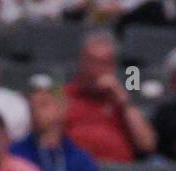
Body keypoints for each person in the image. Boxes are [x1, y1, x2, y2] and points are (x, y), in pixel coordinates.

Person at [62, 32, 157, 163]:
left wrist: (124, 101)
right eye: (91, 61)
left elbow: (147, 144)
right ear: (81, 62)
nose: (95, 69)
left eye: (103, 63)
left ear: (112, 66)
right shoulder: (65, 96)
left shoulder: (121, 100)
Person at [10, 85, 103, 171]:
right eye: (31, 106)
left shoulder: (80, 157)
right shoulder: (16, 153)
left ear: (61, 109)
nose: (35, 110)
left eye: (43, 105)